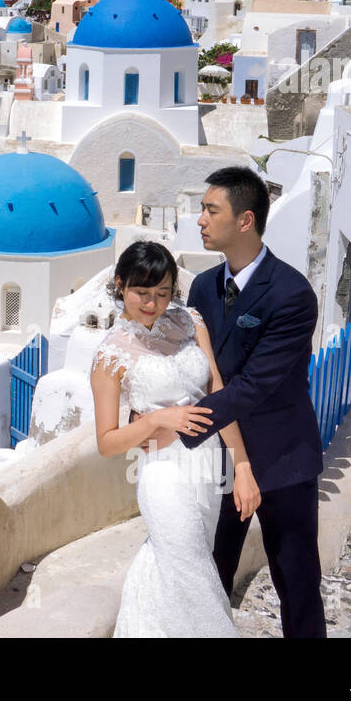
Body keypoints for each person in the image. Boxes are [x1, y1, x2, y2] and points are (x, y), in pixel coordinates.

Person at [154, 166, 327, 638]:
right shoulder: (203, 286)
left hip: (281, 462)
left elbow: (252, 386)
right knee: (211, 575)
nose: (201, 220)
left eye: (211, 210)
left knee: (296, 583)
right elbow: (202, 370)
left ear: (245, 220)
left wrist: (179, 426)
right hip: (219, 461)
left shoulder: (293, 295)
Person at [92, 240, 261, 638]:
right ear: (120, 285)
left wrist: (242, 466)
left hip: (208, 468)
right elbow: (107, 442)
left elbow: (218, 396)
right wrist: (158, 419)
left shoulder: (191, 322)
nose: (152, 303)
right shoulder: (110, 355)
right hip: (163, 473)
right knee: (191, 569)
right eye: (141, 292)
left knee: (170, 564)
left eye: (163, 293)